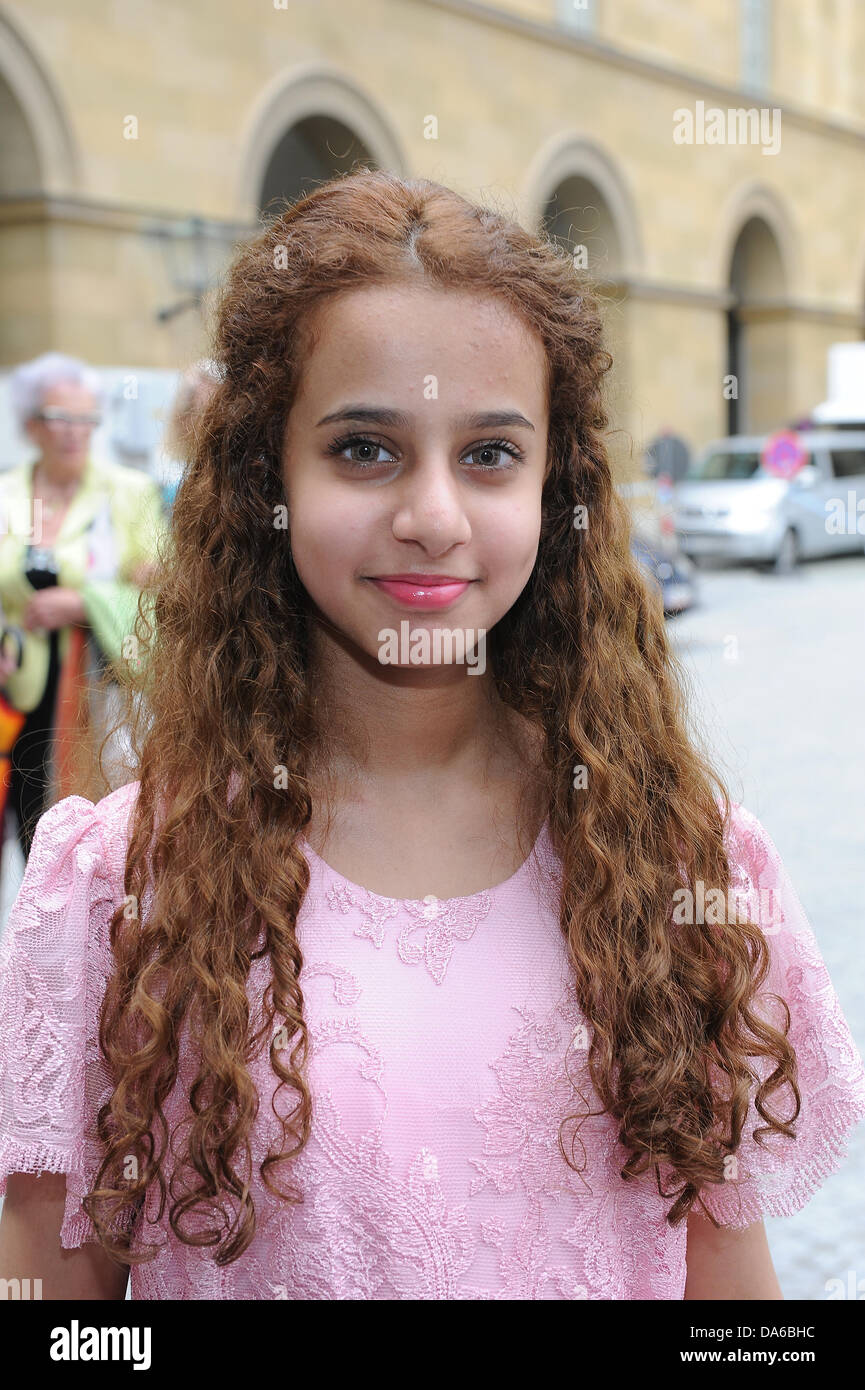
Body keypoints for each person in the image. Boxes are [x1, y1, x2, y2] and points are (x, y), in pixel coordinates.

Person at [0, 171, 863, 1301]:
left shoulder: (683, 861)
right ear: (269, 473)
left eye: (489, 454)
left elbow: (728, 1295)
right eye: (365, 448)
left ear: (558, 485)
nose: (434, 518)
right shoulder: (122, 883)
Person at [0, 354, 168, 866]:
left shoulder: (129, 492)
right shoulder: (6, 491)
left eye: (87, 420)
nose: (76, 432)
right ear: (31, 424)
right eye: (60, 418)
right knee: (23, 808)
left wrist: (82, 601)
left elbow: (166, 593)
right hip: (16, 681)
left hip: (98, 686)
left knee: (85, 819)